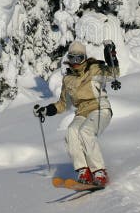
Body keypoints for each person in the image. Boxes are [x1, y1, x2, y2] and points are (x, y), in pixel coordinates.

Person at [34, 40, 120, 186]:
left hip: (100, 108)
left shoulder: (94, 69)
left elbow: (113, 74)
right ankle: (83, 171)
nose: (75, 62)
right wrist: (46, 110)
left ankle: (99, 172)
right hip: (82, 112)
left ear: (84, 58)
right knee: (71, 132)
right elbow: (63, 104)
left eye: (78, 58)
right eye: (72, 58)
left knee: (85, 132)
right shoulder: (68, 79)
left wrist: (110, 55)